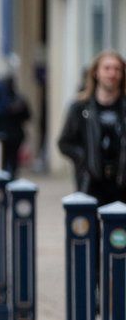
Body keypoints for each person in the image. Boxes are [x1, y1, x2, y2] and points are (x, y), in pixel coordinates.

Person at [58, 50, 126, 206]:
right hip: (90, 185)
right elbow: (65, 143)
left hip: (122, 185)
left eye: (117, 69)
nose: (112, 74)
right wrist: (85, 159)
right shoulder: (80, 107)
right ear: (96, 72)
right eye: (107, 68)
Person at [3, 77, 31, 176]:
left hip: (13, 133)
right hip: (12, 133)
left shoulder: (17, 100)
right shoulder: (17, 99)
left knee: (10, 159)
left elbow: (27, 116)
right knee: (10, 159)